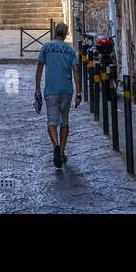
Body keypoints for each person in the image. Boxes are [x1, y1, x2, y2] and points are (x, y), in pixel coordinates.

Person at [35, 22, 82, 167]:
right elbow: (75, 71)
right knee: (65, 122)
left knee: (51, 122)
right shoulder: (70, 50)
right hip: (66, 90)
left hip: (51, 90)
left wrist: (37, 87)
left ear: (55, 32)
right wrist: (79, 92)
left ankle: (55, 145)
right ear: (66, 33)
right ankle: (61, 152)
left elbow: (40, 68)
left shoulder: (46, 47)